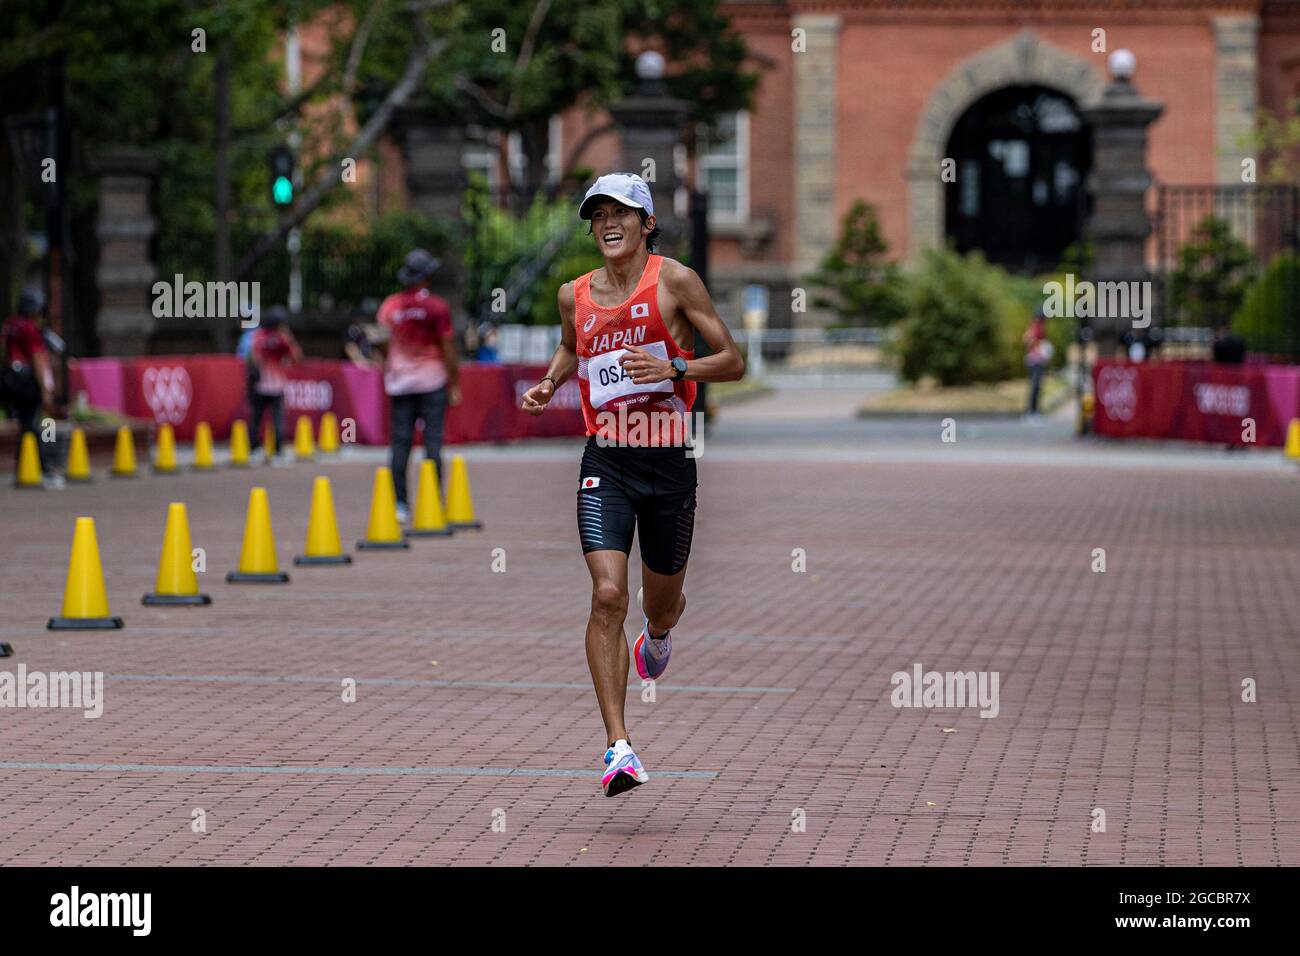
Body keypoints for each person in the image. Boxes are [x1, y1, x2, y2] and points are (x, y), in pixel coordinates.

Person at [520, 172, 745, 797]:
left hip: (668, 460)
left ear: (647, 223)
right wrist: (551, 381)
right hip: (608, 460)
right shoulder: (574, 294)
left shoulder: (674, 281)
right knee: (607, 594)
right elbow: (572, 346)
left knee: (660, 601)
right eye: (597, 215)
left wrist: (675, 364)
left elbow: (733, 359)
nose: (607, 224)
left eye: (621, 213)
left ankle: (662, 634)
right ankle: (618, 747)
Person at [375, 249, 460, 523]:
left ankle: (400, 504)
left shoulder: (391, 306)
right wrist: (455, 383)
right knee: (433, 441)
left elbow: (379, 340)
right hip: (432, 381)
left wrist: (394, 362)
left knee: (400, 442)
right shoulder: (437, 307)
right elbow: (448, 347)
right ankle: (433, 499)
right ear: (427, 276)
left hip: (400, 383)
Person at [2, 288, 56, 479]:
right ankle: (43, 467)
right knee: (33, 425)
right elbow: (37, 358)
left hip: (10, 381)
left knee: (24, 424)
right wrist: (46, 389)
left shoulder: (10, 324)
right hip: (27, 383)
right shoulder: (29, 328)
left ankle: (23, 462)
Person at [247, 305, 301, 461]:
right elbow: (297, 357)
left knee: (256, 419)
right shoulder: (282, 338)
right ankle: (278, 453)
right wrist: (288, 338)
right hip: (277, 387)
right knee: (277, 420)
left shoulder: (258, 336)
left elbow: (252, 358)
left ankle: (255, 451)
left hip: (259, 386)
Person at [1023, 309, 1052, 417]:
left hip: (1035, 360)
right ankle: (1032, 411)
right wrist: (1040, 352)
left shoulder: (1034, 326)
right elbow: (1029, 340)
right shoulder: (1037, 327)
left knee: (1036, 386)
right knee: (1036, 386)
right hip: (1036, 361)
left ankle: (1034, 410)